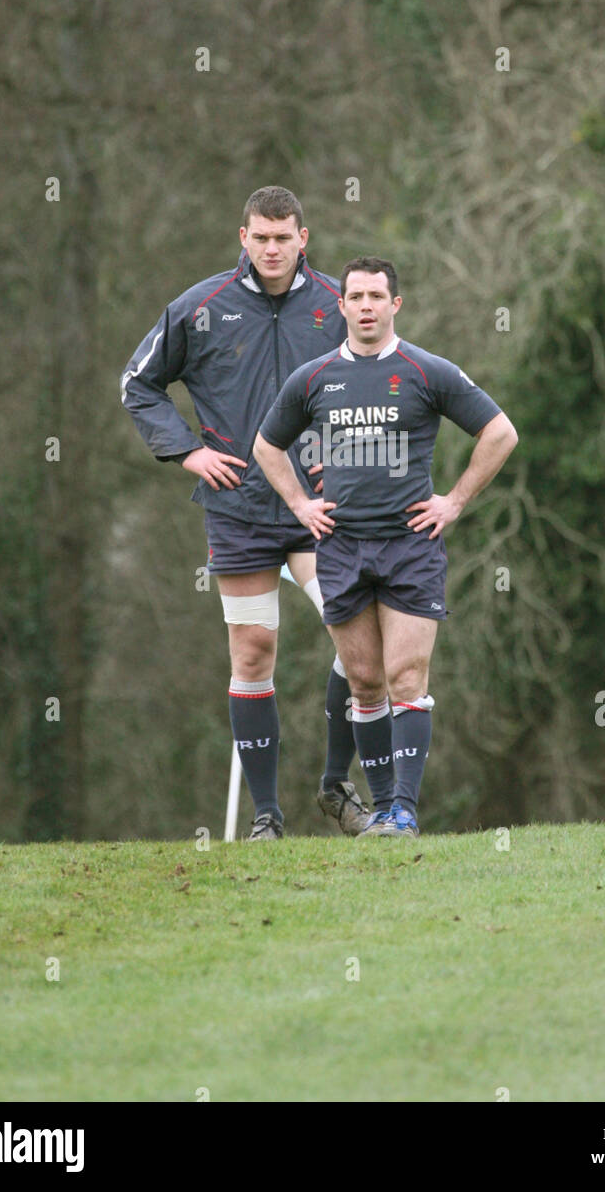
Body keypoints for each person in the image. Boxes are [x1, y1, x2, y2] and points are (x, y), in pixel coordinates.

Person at [121, 188, 390, 840]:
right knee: (253, 651)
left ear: (304, 237)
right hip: (239, 506)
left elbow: (389, 380)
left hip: (322, 509)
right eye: (260, 238)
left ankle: (335, 786)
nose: (272, 249)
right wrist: (188, 453)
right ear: (242, 236)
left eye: (283, 237)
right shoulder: (200, 308)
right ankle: (267, 818)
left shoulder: (337, 305)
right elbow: (138, 384)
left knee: (363, 653)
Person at [253, 256, 518, 837]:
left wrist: (454, 501)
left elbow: (500, 433)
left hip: (411, 547)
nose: (367, 306)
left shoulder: (427, 370)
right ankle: (379, 811)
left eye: (377, 296)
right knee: (366, 680)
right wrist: (300, 505)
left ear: (395, 305)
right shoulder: (314, 378)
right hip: (342, 549)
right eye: (356, 296)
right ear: (341, 306)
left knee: (406, 675)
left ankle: (405, 809)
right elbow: (267, 447)